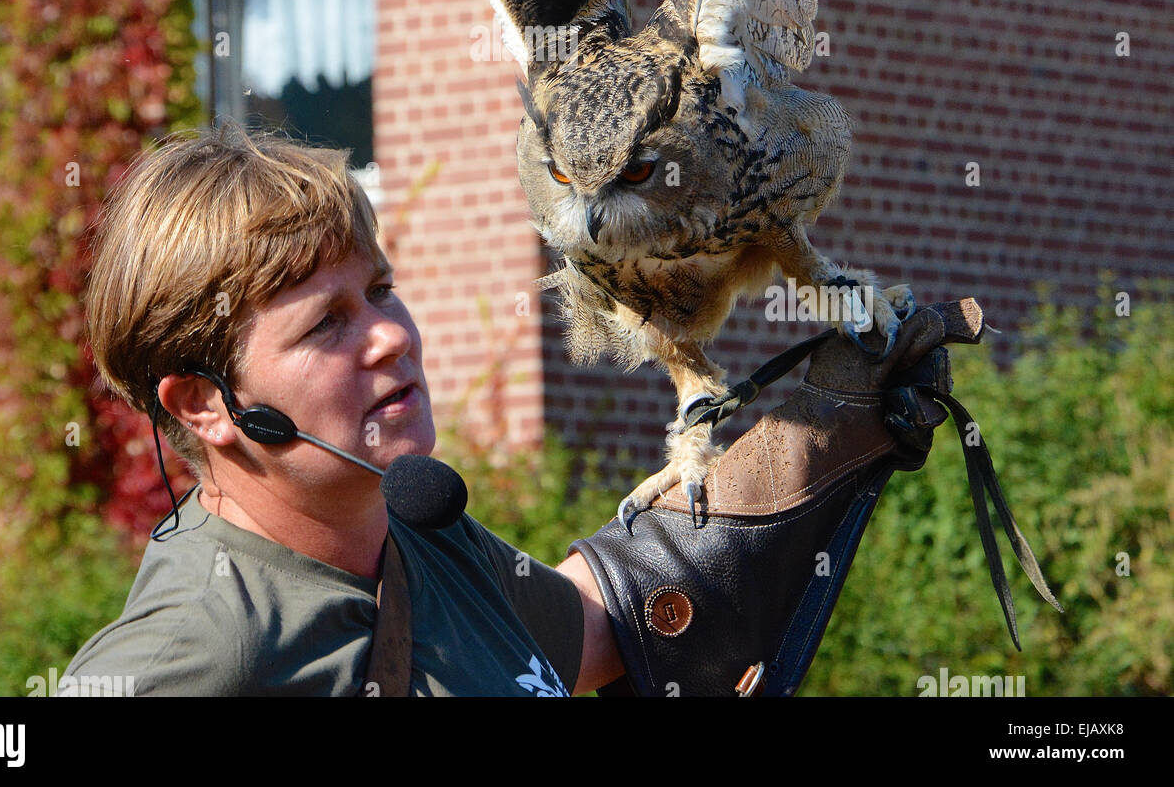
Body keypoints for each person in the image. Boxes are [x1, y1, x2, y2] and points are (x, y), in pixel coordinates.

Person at [62, 122, 974, 697]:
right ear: (207, 406)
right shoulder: (200, 645)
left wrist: (821, 435)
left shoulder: (423, 541)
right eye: (326, 324)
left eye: (380, 291)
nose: (390, 337)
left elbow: (596, 630)